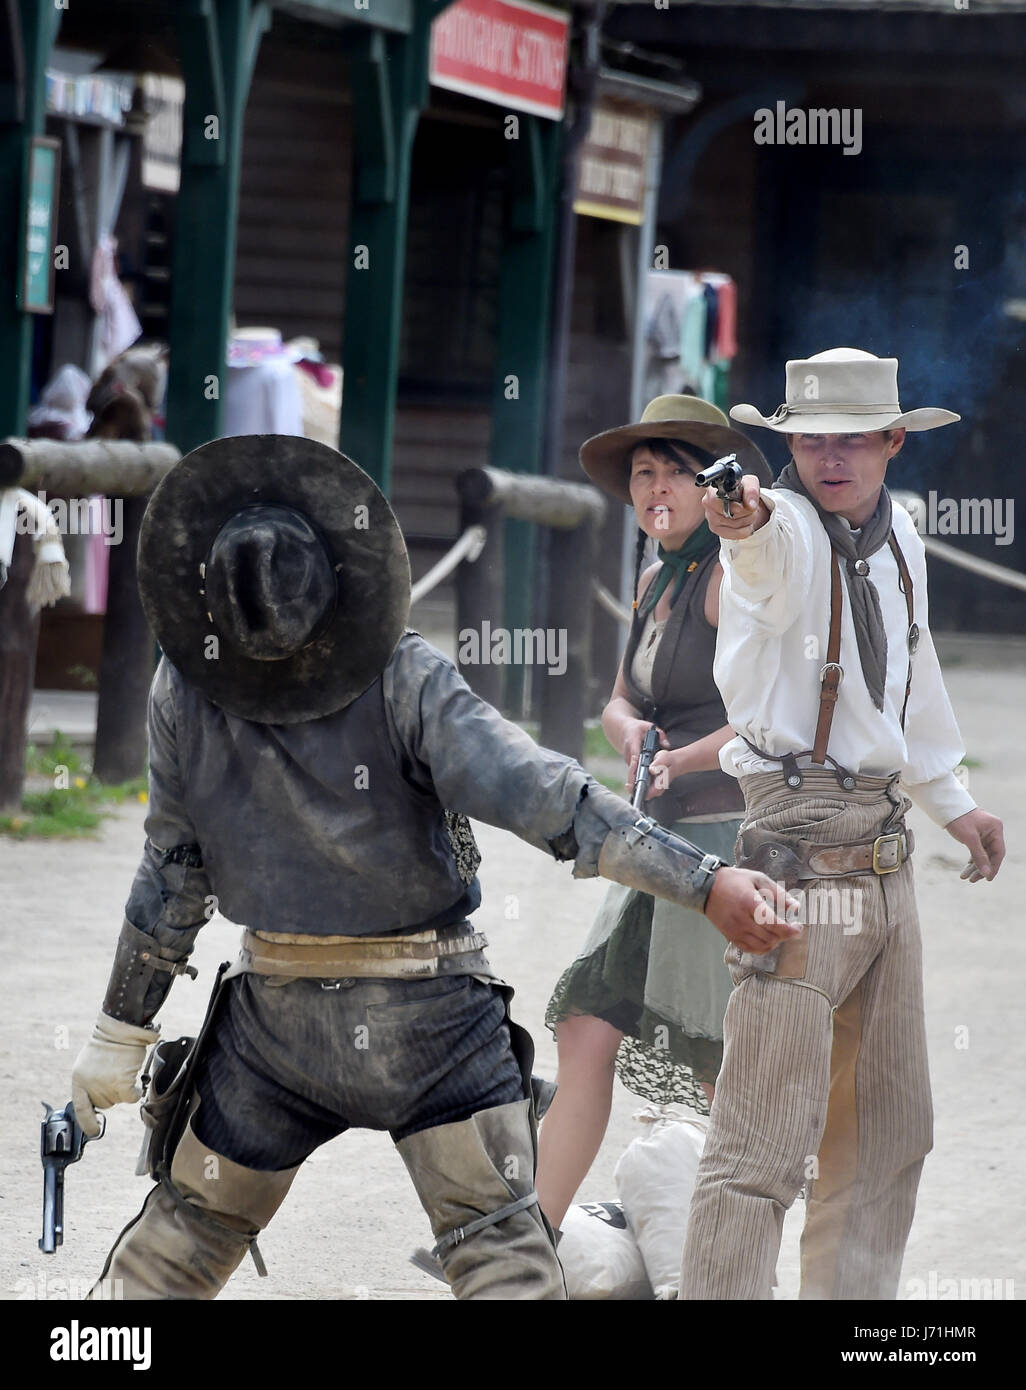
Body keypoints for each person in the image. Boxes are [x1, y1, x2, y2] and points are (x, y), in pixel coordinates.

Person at [68, 434, 796, 1302]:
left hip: (272, 1029)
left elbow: (172, 872)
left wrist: (122, 1030)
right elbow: (552, 798)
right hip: (433, 1024)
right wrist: (706, 883)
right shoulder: (401, 673)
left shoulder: (182, 687)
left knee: (180, 1240)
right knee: (500, 1256)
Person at [679, 348, 1006, 1300]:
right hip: (799, 845)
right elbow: (760, 550)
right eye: (810, 440)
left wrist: (953, 799)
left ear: (893, 442)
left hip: (884, 839)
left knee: (890, 1131)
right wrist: (736, 519)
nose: (829, 456)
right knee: (762, 1143)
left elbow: (913, 671)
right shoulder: (777, 529)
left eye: (853, 439)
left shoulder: (901, 533)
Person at [536, 395, 775, 1232]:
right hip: (652, 843)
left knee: (716, 1062)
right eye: (644, 472)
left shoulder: (730, 580)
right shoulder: (652, 579)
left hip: (723, 841)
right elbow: (619, 701)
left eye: (676, 469)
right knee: (583, 1032)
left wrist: (684, 757)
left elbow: (762, 718)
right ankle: (525, 1249)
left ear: (711, 484)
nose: (657, 485)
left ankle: (723, 1268)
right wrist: (633, 733)